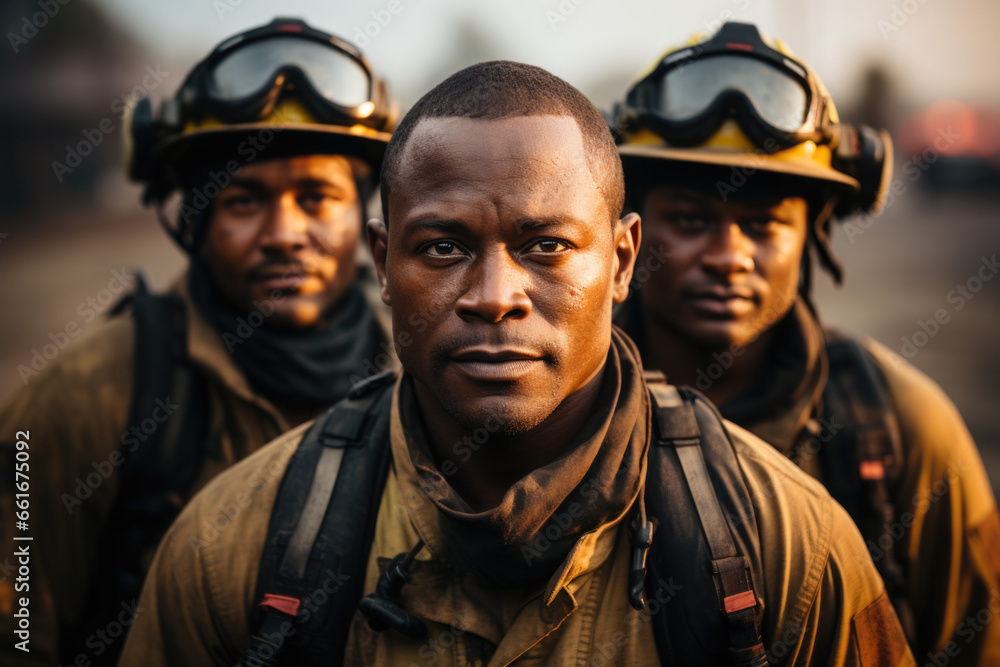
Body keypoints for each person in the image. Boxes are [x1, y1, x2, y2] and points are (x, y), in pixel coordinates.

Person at [118, 60, 913, 666]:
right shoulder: (230, 547)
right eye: (443, 247)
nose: (495, 296)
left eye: (546, 247)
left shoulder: (792, 550)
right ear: (384, 264)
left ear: (625, 258)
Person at [0, 18, 396, 667]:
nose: (285, 233)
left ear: (364, 213)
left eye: (318, 196)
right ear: (193, 218)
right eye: (245, 200)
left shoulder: (419, 375)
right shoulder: (91, 393)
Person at [612, 21, 1000, 664]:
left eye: (763, 224)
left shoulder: (905, 427)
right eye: (688, 219)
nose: (728, 256)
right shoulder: (556, 413)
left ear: (813, 236)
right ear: (628, 230)